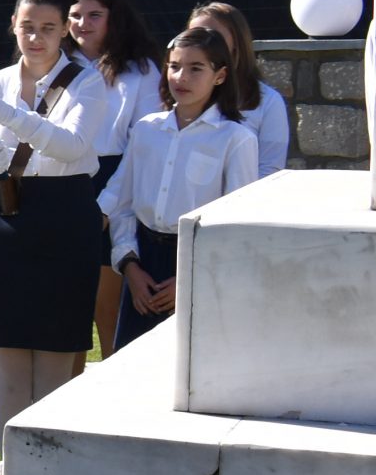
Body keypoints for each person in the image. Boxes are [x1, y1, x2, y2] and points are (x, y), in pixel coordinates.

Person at [0, 0, 112, 430]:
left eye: (47, 28)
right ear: (13, 24)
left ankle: (47, 464)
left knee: (54, 360)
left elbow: (71, 145)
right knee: (7, 360)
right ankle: (10, 466)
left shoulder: (87, 82)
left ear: (65, 29)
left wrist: (11, 116)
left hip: (64, 217)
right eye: (27, 26)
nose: (36, 38)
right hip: (2, 220)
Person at [97, 25, 261, 350]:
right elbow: (124, 205)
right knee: (133, 364)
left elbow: (236, 225)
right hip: (143, 265)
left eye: (196, 68)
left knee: (185, 368)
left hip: (199, 265)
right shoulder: (146, 130)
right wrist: (130, 267)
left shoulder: (236, 139)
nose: (181, 77)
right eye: (174, 66)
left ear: (220, 75)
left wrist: (191, 279)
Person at [70, 0, 159, 359]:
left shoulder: (141, 71)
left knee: (108, 308)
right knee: (68, 312)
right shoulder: (56, 65)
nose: (82, 24)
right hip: (66, 181)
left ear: (114, 17)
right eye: (75, 15)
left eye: (94, 15)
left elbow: (142, 146)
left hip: (116, 184)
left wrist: (106, 207)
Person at [190, 1, 290, 177]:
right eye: (195, 36)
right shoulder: (179, 93)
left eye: (213, 36)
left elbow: (270, 169)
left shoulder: (268, 101)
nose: (203, 45)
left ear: (236, 42)